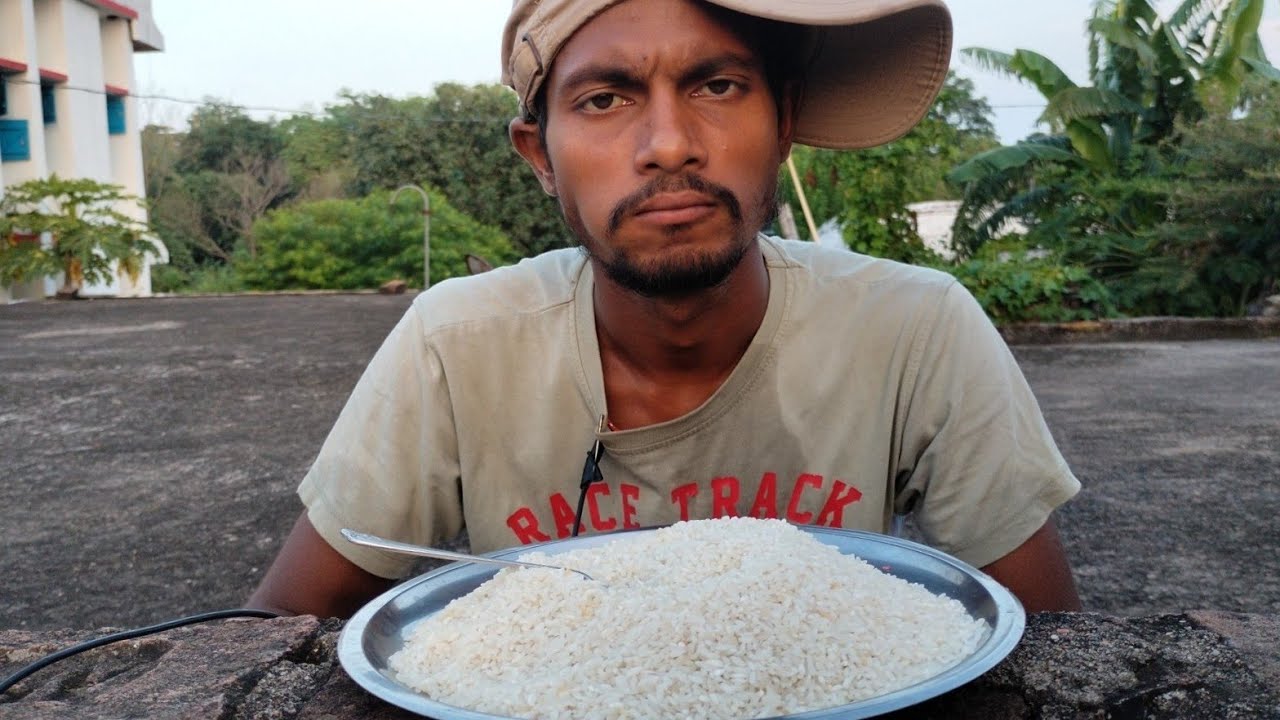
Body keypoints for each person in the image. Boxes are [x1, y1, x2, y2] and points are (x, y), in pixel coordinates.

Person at [248, 0, 1082, 618]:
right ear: (540, 154)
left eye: (717, 84)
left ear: (783, 120)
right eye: (604, 100)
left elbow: (1052, 647)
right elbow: (273, 639)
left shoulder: (915, 328)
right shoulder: (456, 344)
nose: (670, 144)